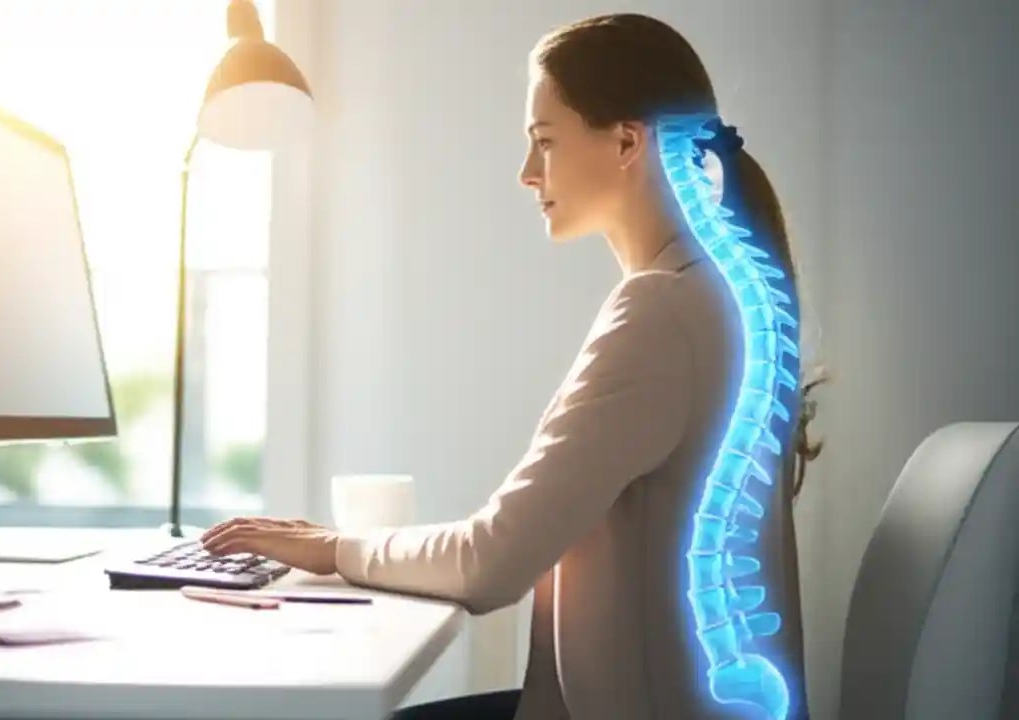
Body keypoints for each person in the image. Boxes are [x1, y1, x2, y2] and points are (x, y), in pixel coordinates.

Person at [200, 12, 825, 720]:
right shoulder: (717, 297)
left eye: (545, 143)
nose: (528, 174)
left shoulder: (661, 312)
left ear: (627, 141)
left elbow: (490, 562)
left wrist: (332, 548)